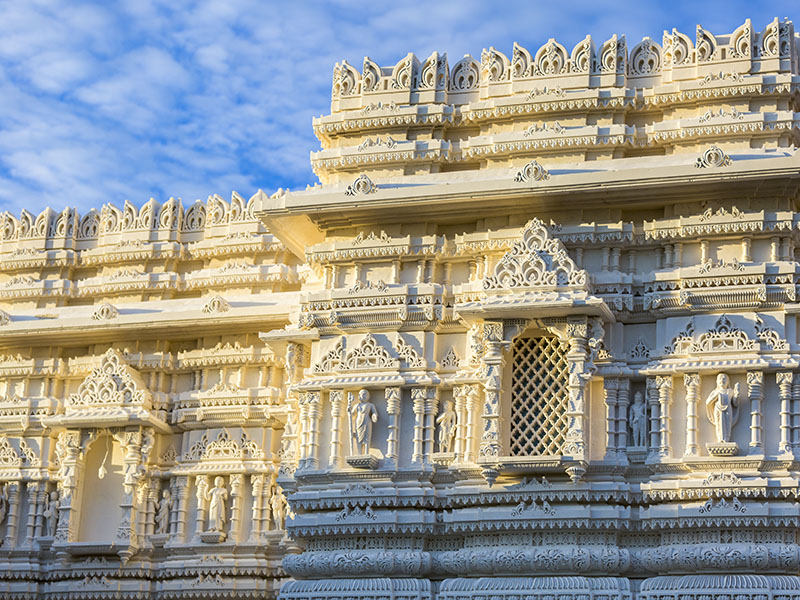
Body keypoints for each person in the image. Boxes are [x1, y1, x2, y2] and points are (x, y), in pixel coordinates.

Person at [705, 373, 740, 443]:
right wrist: (716, 396)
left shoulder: (730, 391)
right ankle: (720, 439)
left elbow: (735, 403)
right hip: (718, 410)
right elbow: (708, 403)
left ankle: (726, 439)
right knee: (719, 424)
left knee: (727, 425)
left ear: (728, 381)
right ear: (717, 381)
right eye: (720, 379)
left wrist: (737, 394)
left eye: (724, 379)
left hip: (728, 410)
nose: (722, 380)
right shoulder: (715, 392)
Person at [349, 389, 378, 455]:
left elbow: (374, 413)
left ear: (369, 396)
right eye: (361, 394)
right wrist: (349, 410)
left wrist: (374, 416)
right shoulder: (357, 405)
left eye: (365, 394)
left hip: (367, 422)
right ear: (359, 396)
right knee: (358, 437)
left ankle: (366, 453)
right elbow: (352, 414)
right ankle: (359, 453)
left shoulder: (370, 405)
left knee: (367, 438)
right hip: (358, 422)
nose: (363, 396)